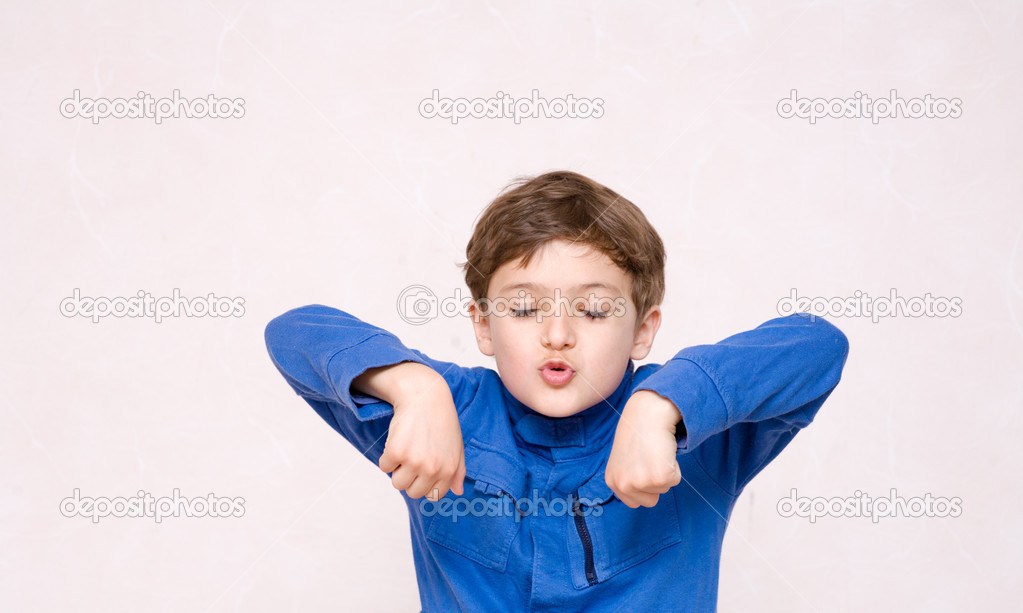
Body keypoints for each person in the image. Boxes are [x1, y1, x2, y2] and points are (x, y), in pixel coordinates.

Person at [264, 170, 850, 612]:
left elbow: (817, 345)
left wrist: (660, 406)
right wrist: (414, 387)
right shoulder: (444, 413)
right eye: (523, 308)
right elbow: (294, 331)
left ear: (643, 330)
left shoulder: (694, 435)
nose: (558, 335)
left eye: (595, 311)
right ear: (482, 325)